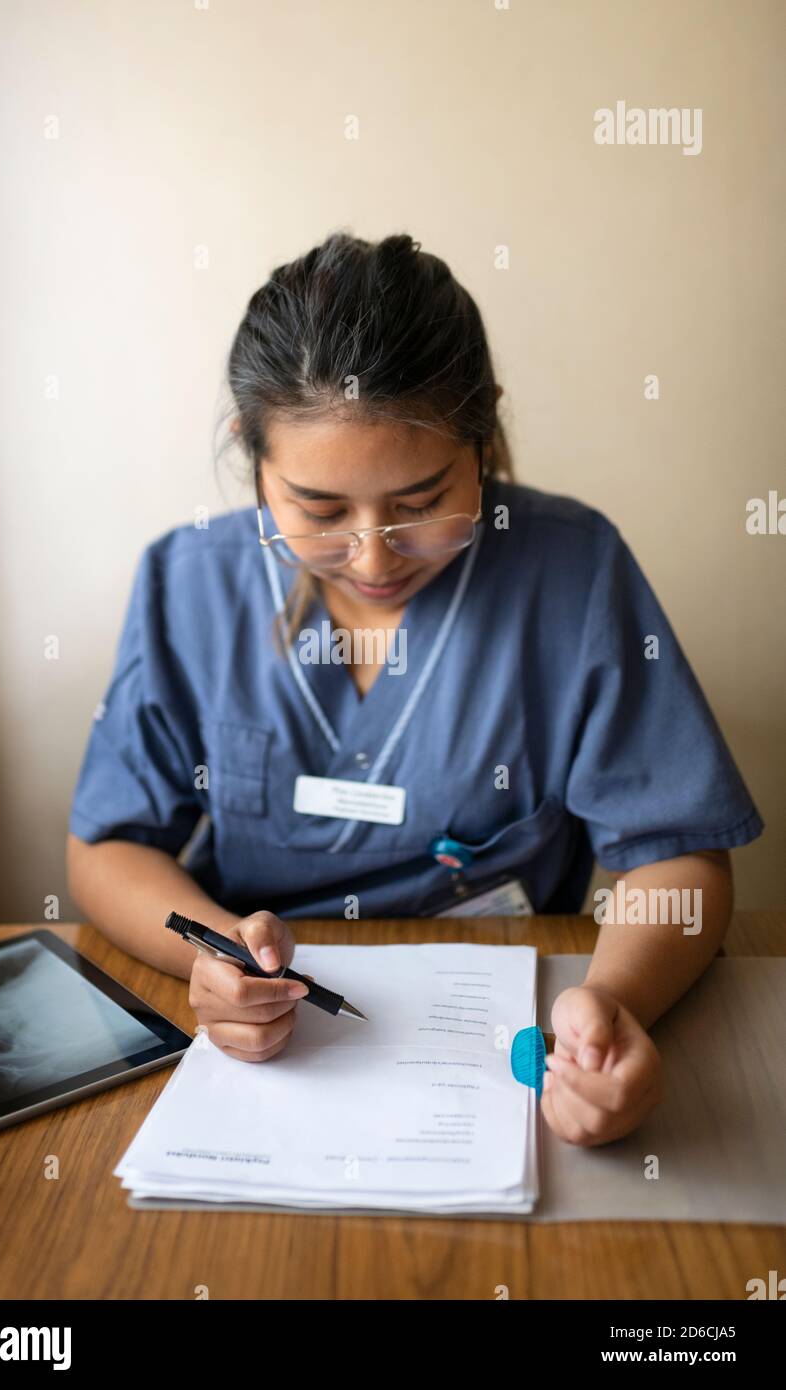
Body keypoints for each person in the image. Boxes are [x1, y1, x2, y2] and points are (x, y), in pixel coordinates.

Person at [66, 231, 763, 1146]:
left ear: (485, 436)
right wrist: (213, 953)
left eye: (421, 502)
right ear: (252, 455)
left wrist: (613, 1006)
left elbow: (676, 858)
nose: (372, 556)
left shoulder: (574, 569)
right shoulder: (188, 584)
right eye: (319, 511)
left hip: (505, 1044)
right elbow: (107, 847)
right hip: (266, 1061)